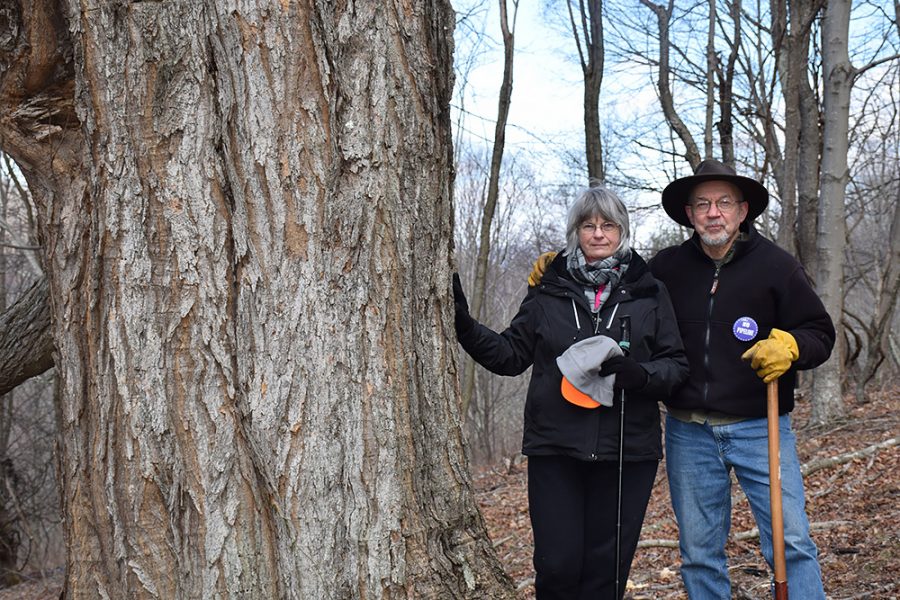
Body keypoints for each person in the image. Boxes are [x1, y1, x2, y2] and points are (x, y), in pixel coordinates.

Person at [453, 186, 688, 599]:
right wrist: (463, 324)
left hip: (625, 451)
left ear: (622, 231)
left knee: (606, 574)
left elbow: (675, 366)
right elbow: (510, 355)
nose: (598, 234)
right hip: (556, 448)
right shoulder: (549, 289)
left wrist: (640, 374)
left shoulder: (649, 292)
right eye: (588, 225)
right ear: (575, 231)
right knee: (557, 567)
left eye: (608, 225)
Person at [650, 159, 836, 599]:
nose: (714, 213)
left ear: (742, 210)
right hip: (687, 431)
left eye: (724, 203)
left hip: (760, 426)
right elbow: (615, 288)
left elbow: (820, 334)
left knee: (790, 542)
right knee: (698, 551)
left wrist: (790, 346)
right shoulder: (666, 268)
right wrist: (561, 268)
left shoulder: (777, 266)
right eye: (703, 204)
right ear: (690, 214)